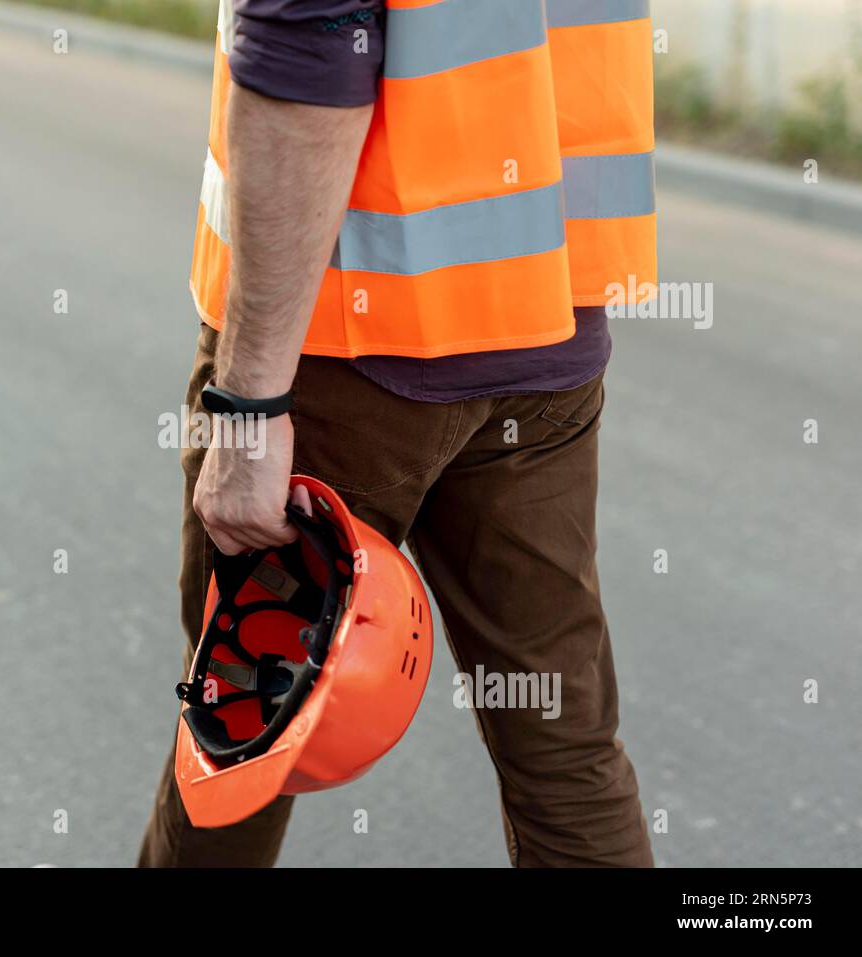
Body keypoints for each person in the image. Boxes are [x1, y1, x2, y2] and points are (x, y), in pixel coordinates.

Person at [139, 0, 658, 867]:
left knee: (247, 730)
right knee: (564, 752)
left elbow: (307, 61)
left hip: (350, 349)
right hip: (547, 325)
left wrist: (252, 405)